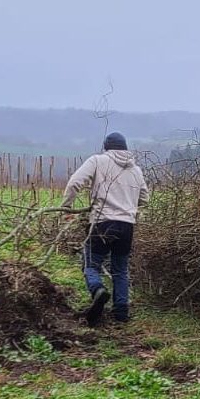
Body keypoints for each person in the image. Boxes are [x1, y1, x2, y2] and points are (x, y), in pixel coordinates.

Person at [62, 132, 149, 326]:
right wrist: (128, 205)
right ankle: (121, 313)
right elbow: (145, 198)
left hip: (103, 222)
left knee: (90, 264)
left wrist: (66, 207)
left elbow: (75, 182)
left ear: (106, 147)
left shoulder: (98, 161)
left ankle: (97, 289)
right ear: (125, 148)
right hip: (127, 225)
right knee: (120, 269)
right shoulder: (135, 170)